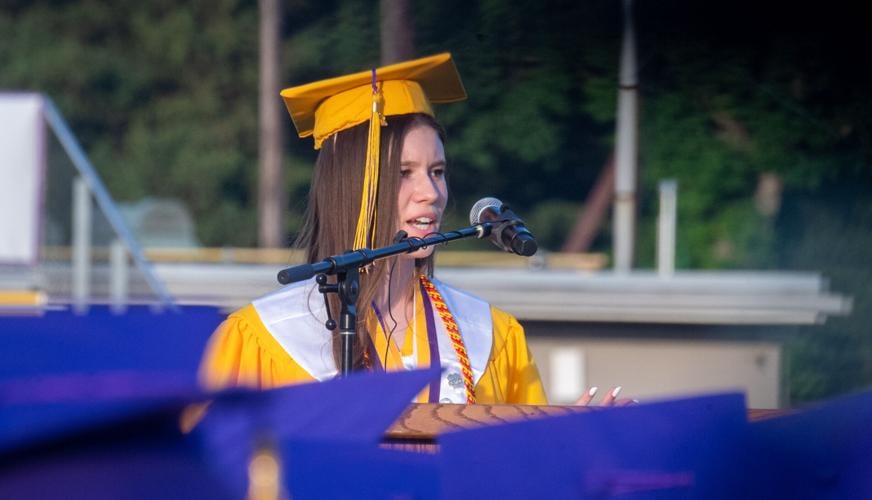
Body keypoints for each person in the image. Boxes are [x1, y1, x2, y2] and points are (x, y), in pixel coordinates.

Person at [199, 53, 621, 406]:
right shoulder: (263, 338)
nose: (431, 193)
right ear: (354, 187)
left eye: (437, 172)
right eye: (404, 172)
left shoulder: (490, 336)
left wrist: (564, 447)